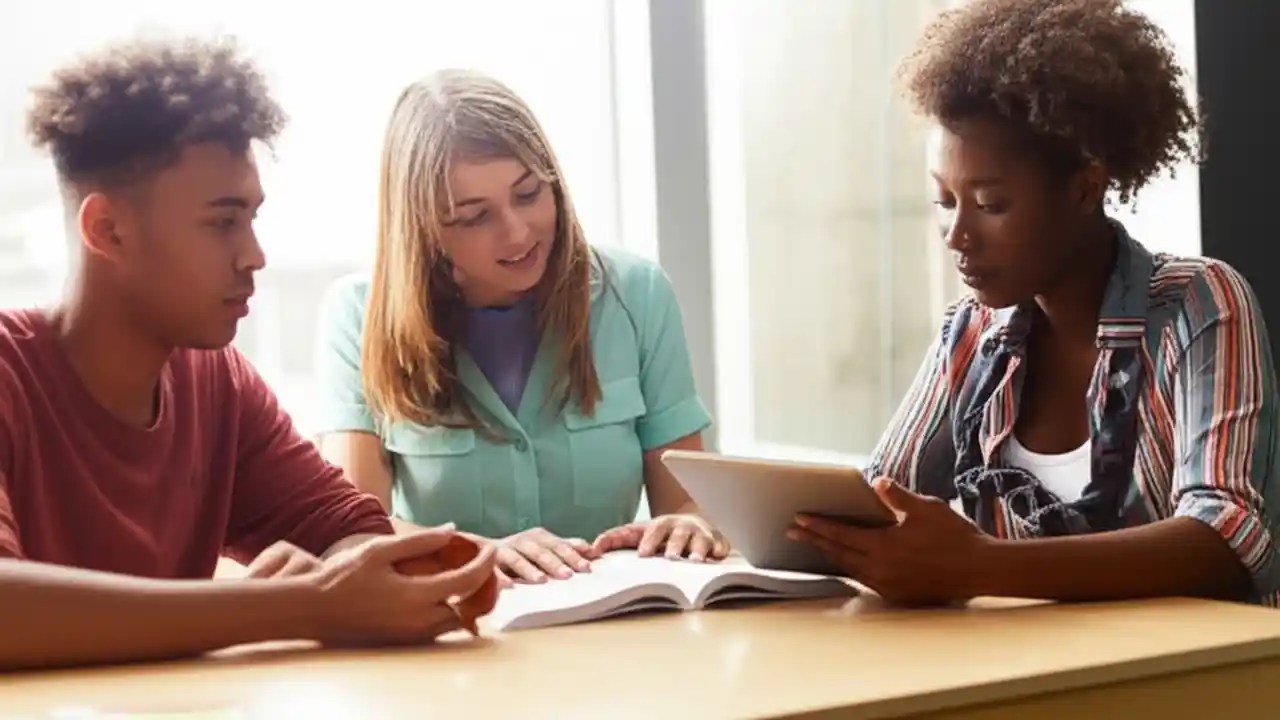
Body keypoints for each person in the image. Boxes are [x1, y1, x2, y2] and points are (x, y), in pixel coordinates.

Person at [0, 36, 497, 671]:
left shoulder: (217, 381)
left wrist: (414, 568)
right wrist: (296, 606)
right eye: (222, 222)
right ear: (107, 230)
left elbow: (343, 526)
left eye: (252, 219)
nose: (254, 255)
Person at [789, 0, 1280, 607]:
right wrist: (715, 531)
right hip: (1035, 679)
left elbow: (1229, 543)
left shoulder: (1200, 305)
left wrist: (980, 566)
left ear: (1084, 188)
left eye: (991, 204)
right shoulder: (970, 334)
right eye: (946, 201)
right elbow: (876, 502)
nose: (957, 235)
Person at [315, 69, 726, 584]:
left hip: (619, 634)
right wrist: (472, 552)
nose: (517, 233)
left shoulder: (636, 294)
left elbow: (688, 500)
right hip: (455, 636)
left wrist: (692, 523)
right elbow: (354, 532)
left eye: (529, 194)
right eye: (473, 217)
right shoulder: (358, 315)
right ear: (421, 228)